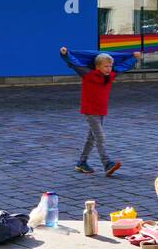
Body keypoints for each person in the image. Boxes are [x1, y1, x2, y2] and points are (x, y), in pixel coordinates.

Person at [60, 46, 139, 176]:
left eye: (110, 66)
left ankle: (81, 163)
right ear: (97, 67)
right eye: (106, 66)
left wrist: (133, 58)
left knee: (91, 138)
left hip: (101, 111)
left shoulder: (111, 75)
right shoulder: (88, 74)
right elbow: (75, 63)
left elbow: (123, 67)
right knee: (100, 137)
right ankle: (107, 163)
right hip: (90, 111)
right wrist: (65, 54)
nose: (109, 69)